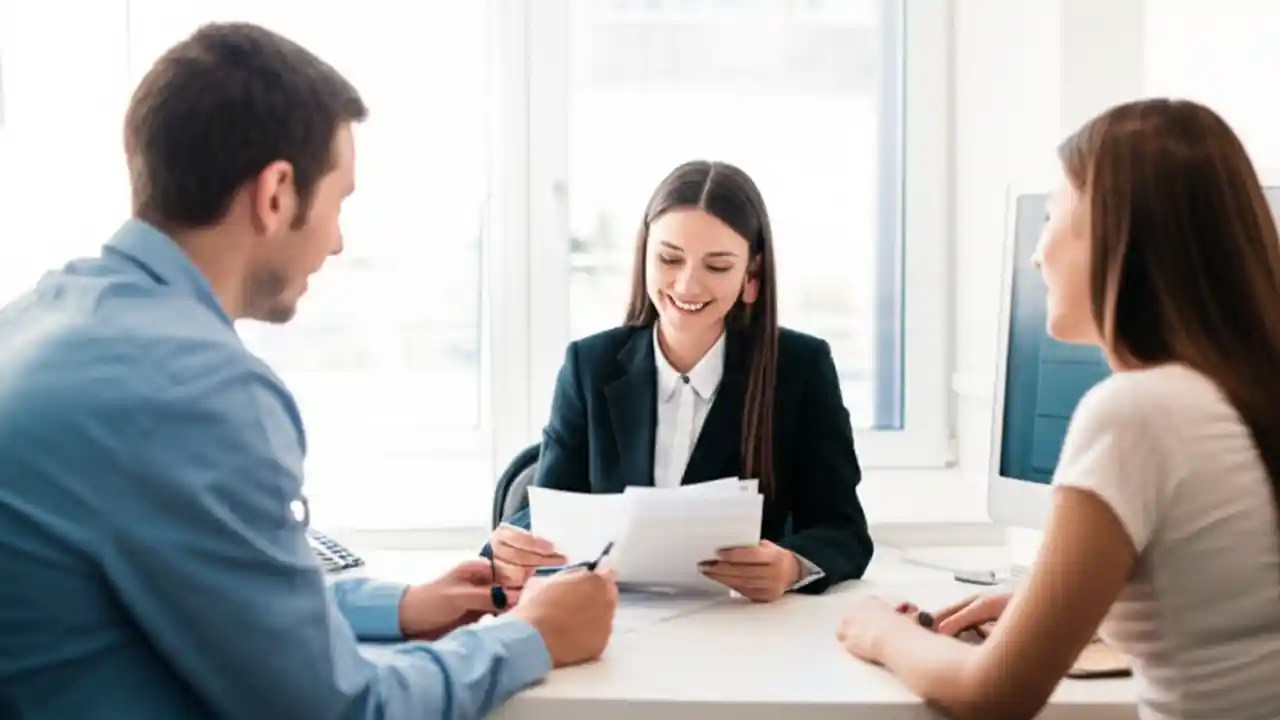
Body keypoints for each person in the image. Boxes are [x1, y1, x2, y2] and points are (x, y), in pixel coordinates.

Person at [0, 22, 617, 720]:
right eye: (339, 201)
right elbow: (336, 709)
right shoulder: (197, 390)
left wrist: (403, 606)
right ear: (276, 193)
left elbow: (218, 589)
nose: (337, 240)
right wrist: (527, 636)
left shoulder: (40, 318)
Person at [837, 99, 1280, 719]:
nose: (1036, 254)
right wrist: (1044, 605)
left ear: (1112, 234)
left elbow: (995, 696)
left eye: (1051, 218)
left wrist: (881, 633)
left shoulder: (1139, 412)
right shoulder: (1239, 391)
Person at [488, 160, 874, 602]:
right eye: (670, 259)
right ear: (644, 258)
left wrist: (790, 565)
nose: (688, 285)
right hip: (613, 623)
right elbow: (551, 512)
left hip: (747, 632)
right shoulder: (589, 365)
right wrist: (508, 549)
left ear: (751, 277)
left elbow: (844, 531)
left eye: (718, 266)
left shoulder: (801, 368)